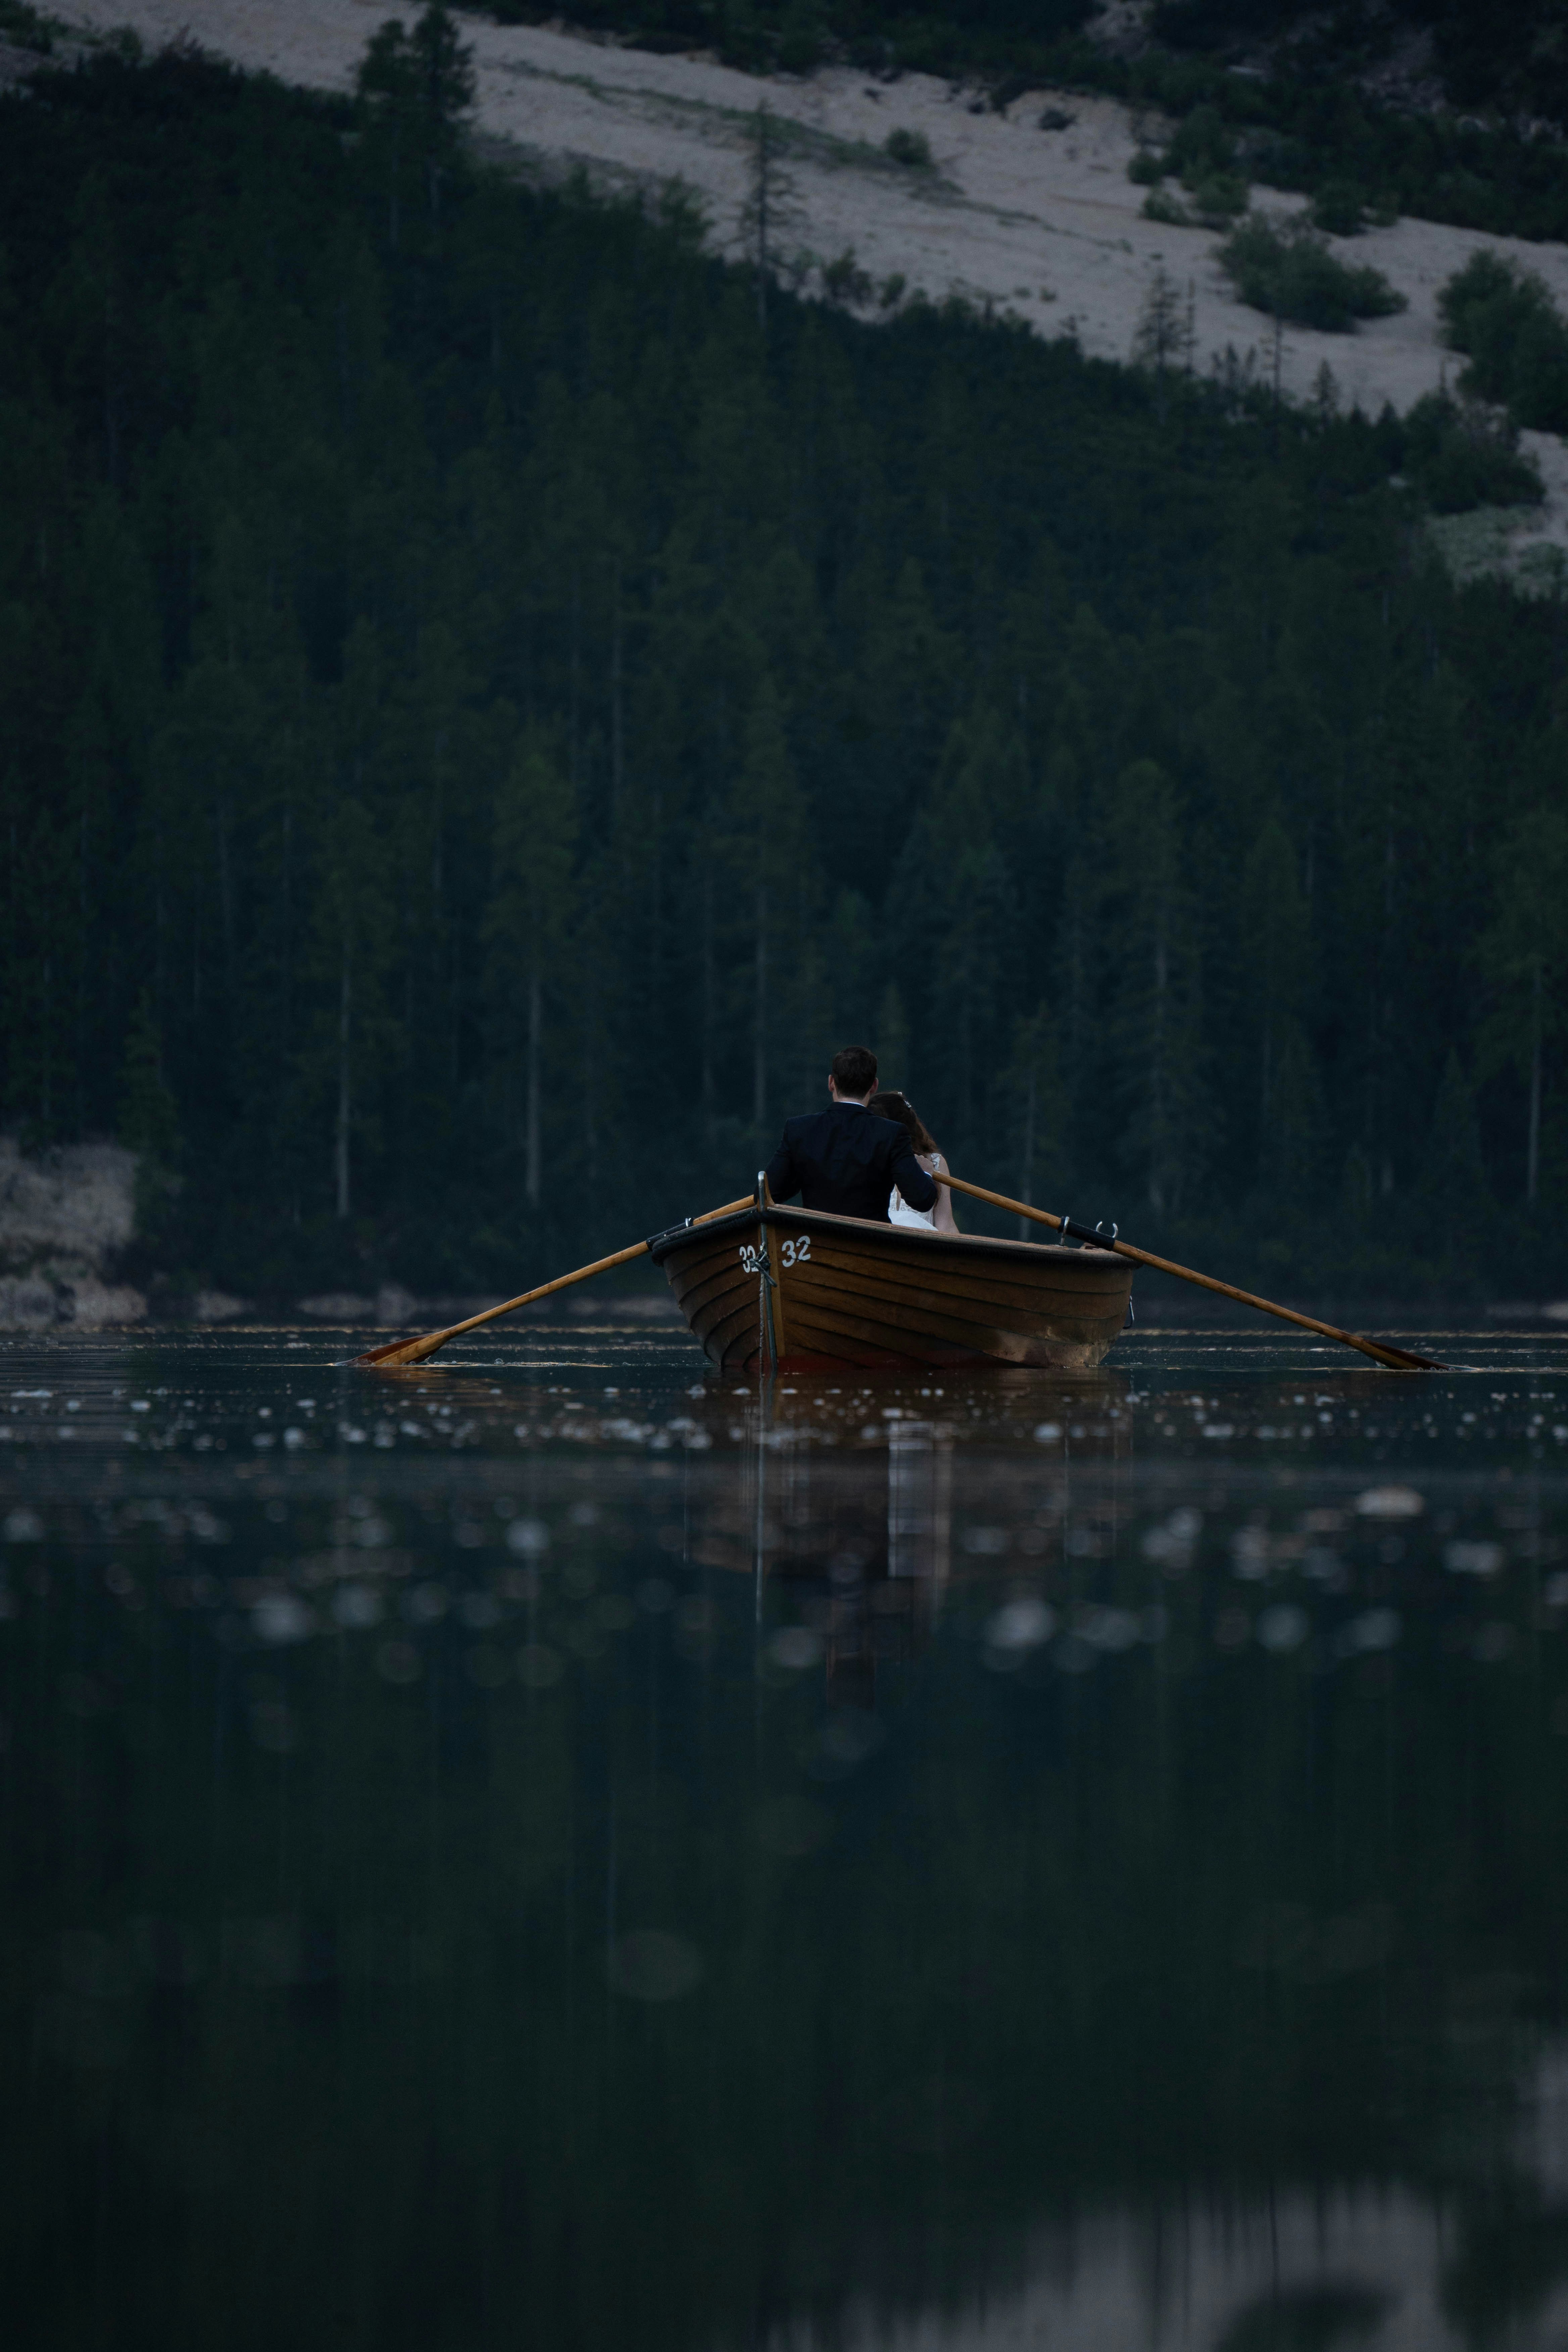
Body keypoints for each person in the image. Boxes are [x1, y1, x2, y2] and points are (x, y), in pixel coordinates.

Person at [763, 1045, 938, 1224]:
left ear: (831, 1082)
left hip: (815, 1244)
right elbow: (922, 1200)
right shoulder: (892, 1134)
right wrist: (925, 1173)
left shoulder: (799, 1129)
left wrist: (803, 1174)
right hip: (870, 1245)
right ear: (874, 1086)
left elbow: (766, 1195)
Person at [869, 1090, 960, 1234]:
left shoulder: (935, 1163)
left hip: (921, 1248)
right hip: (878, 1243)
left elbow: (946, 1223)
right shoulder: (869, 1162)